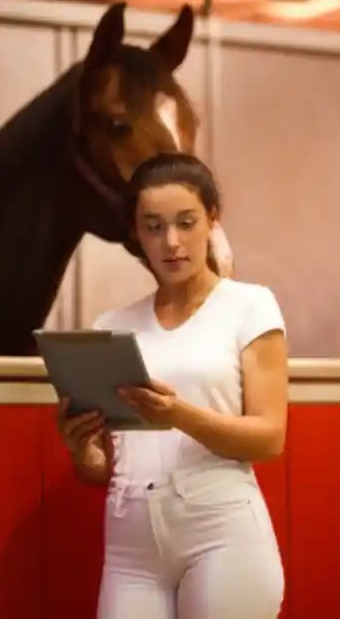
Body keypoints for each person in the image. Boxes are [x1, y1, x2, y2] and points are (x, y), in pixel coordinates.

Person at [56, 153, 289, 619]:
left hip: (221, 529)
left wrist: (178, 414)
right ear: (136, 234)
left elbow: (269, 437)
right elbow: (105, 468)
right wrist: (83, 451)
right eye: (154, 227)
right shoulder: (112, 326)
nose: (172, 242)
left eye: (186, 222)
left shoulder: (250, 306)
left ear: (212, 220)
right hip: (130, 542)